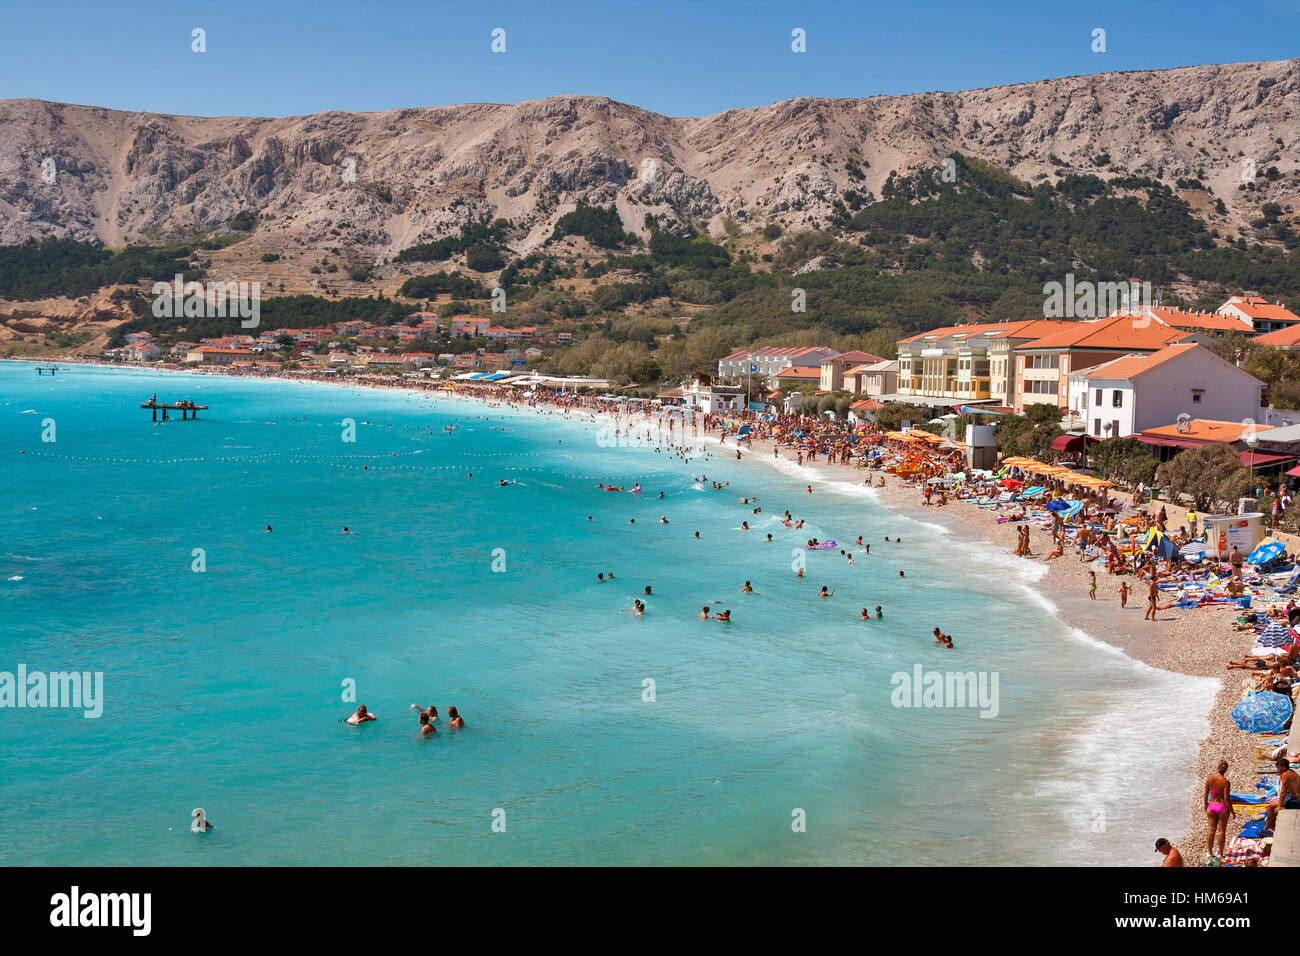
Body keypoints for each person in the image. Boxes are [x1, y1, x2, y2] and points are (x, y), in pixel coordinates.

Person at [1204, 759, 1234, 862]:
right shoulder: (1226, 782)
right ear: (1226, 769)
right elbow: (1226, 798)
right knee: (1221, 831)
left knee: (1211, 829)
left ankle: (1209, 853)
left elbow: (1206, 793)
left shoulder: (1210, 779)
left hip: (1211, 805)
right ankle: (1221, 854)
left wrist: (1205, 804)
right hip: (1221, 807)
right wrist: (1232, 811)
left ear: (1218, 767)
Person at [1265, 757, 1300, 832]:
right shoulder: (1291, 772)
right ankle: (1271, 826)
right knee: (1272, 805)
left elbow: (1283, 792)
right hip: (1294, 798)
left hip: (1297, 802)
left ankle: (1268, 827)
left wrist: (1280, 806)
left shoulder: (1286, 775)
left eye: (1278, 768)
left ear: (1283, 767)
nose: (1278, 770)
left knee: (1270, 807)